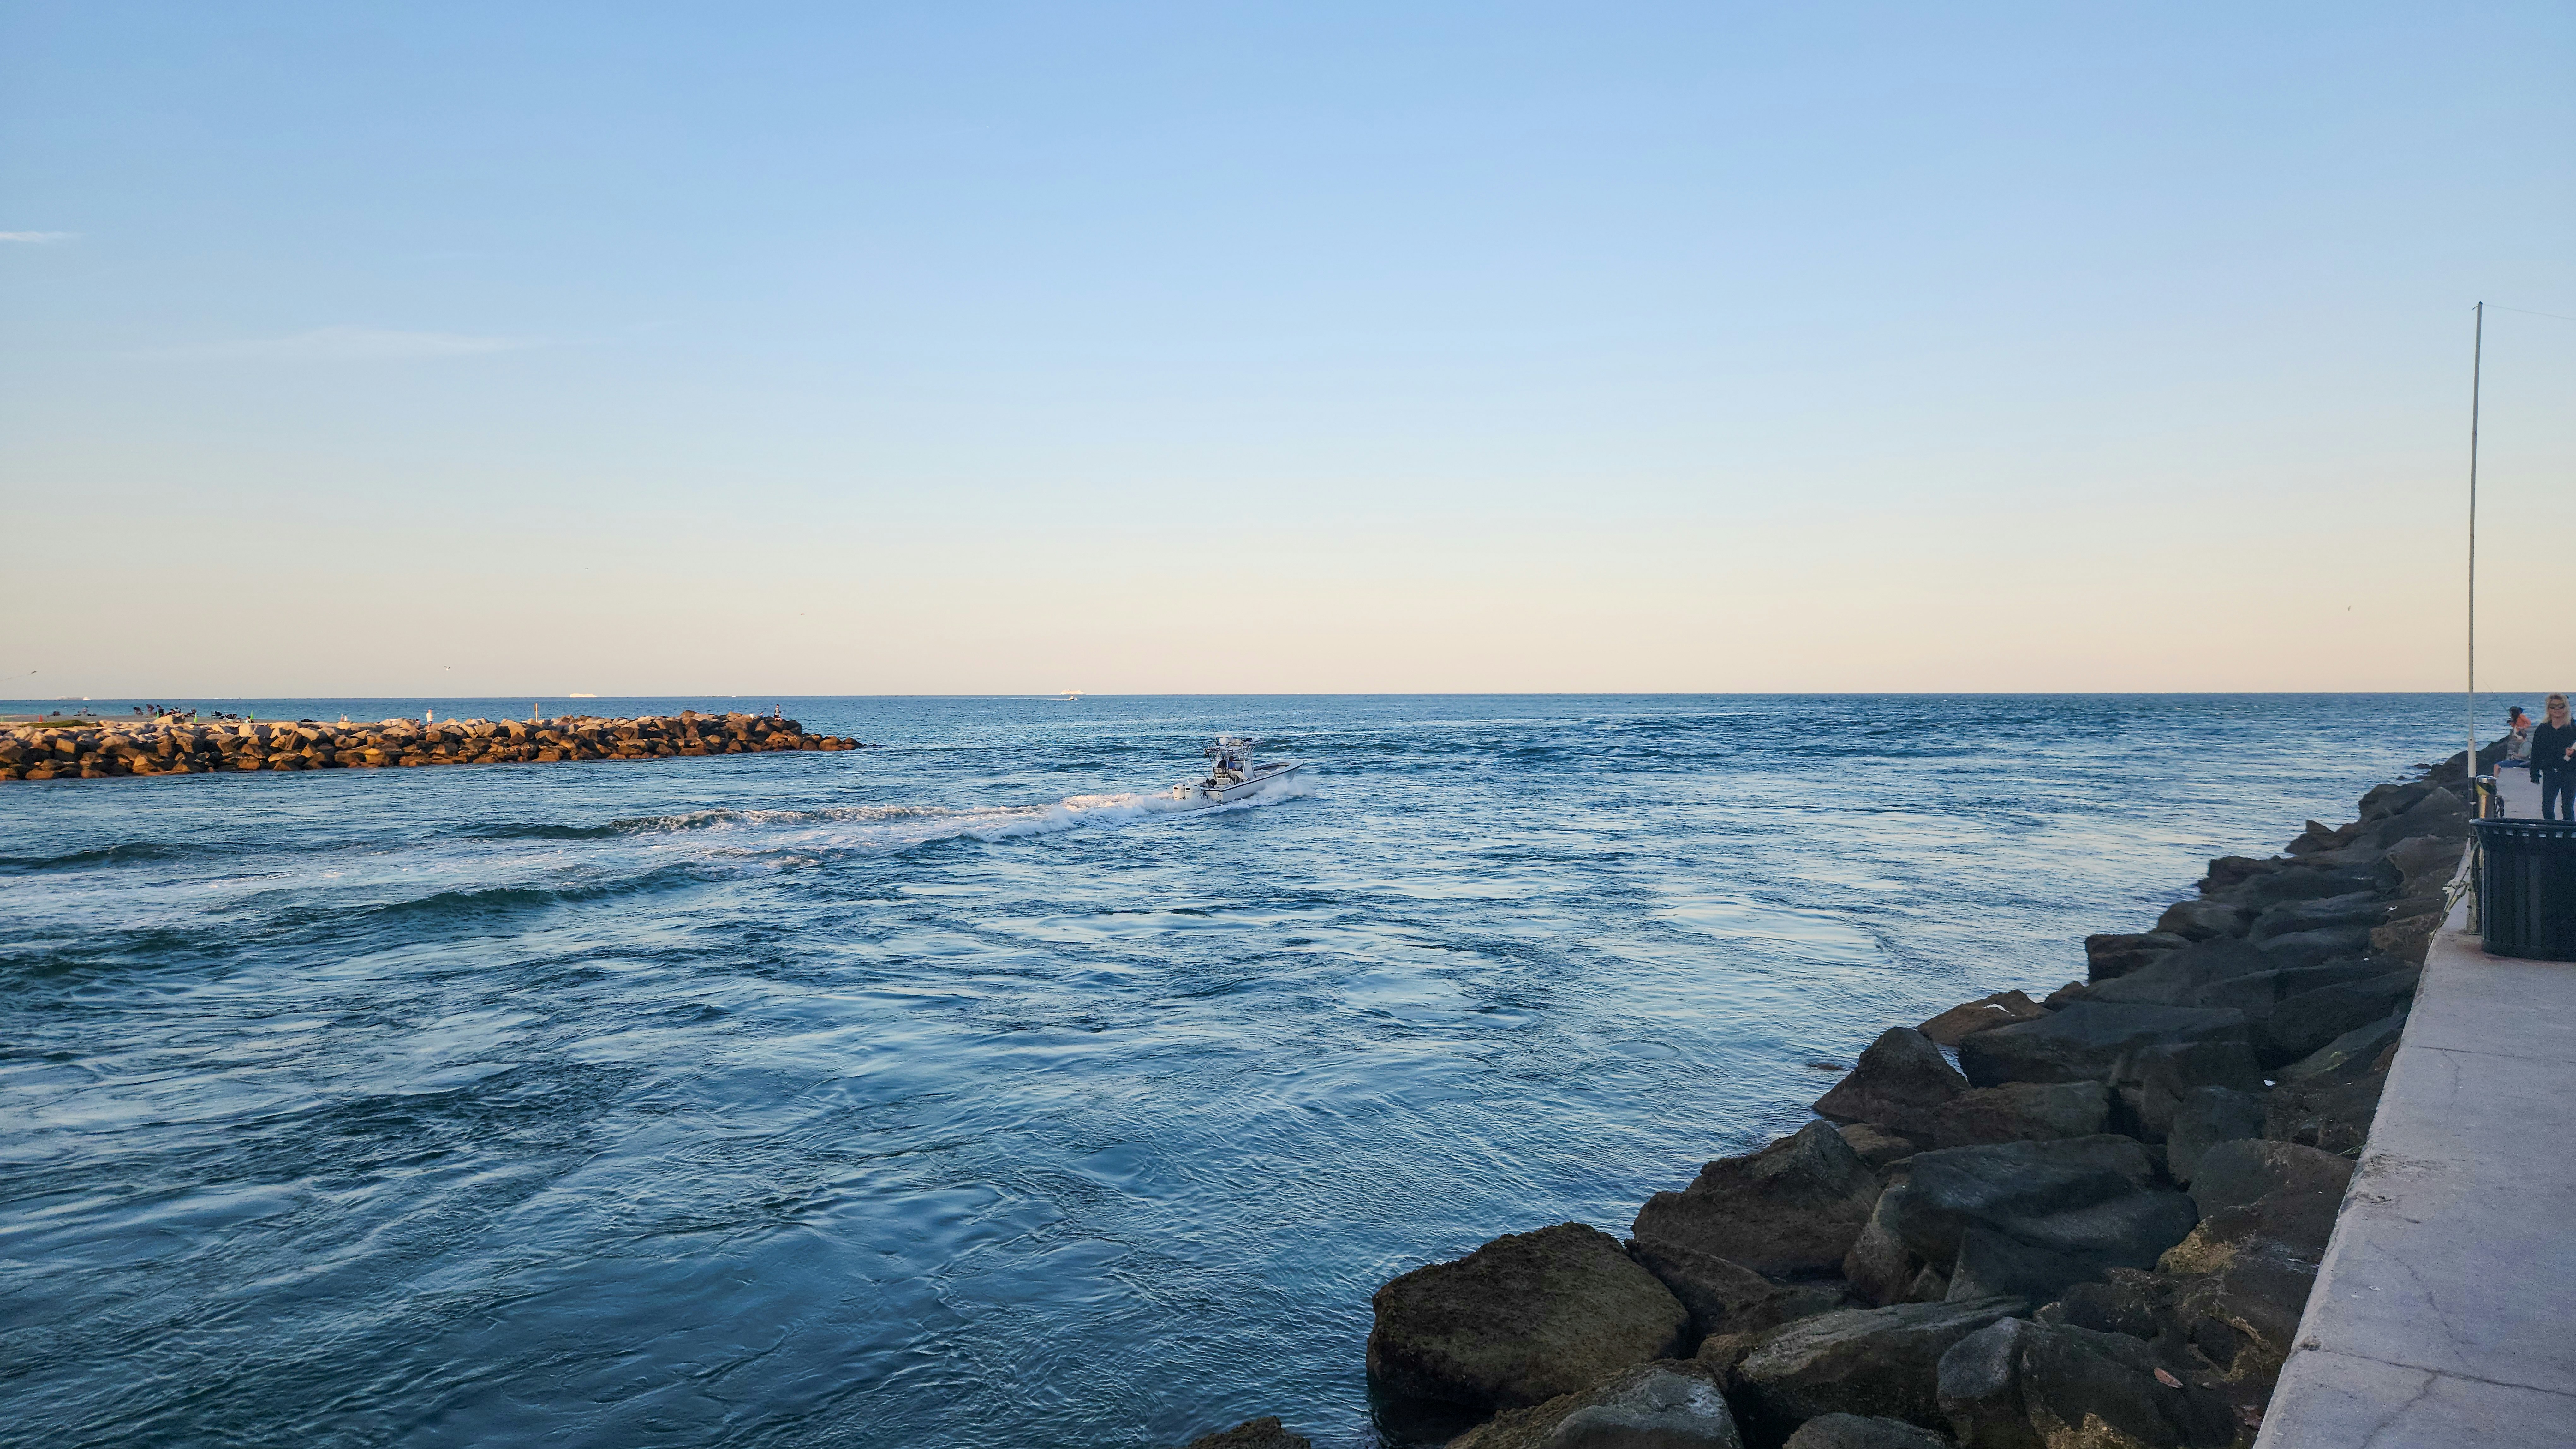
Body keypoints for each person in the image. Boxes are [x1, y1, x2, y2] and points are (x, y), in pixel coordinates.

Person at [2534, 694, 2576, 823]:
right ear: (2548, 709)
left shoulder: (2573, 727)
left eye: (2561, 706)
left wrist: (2572, 754)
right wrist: (2534, 772)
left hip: (2570, 772)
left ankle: (2569, 836)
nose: (2557, 710)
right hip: (2550, 772)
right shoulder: (2543, 728)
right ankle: (2551, 833)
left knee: (2567, 807)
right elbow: (2536, 752)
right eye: (2553, 707)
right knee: (2547, 808)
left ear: (2566, 707)